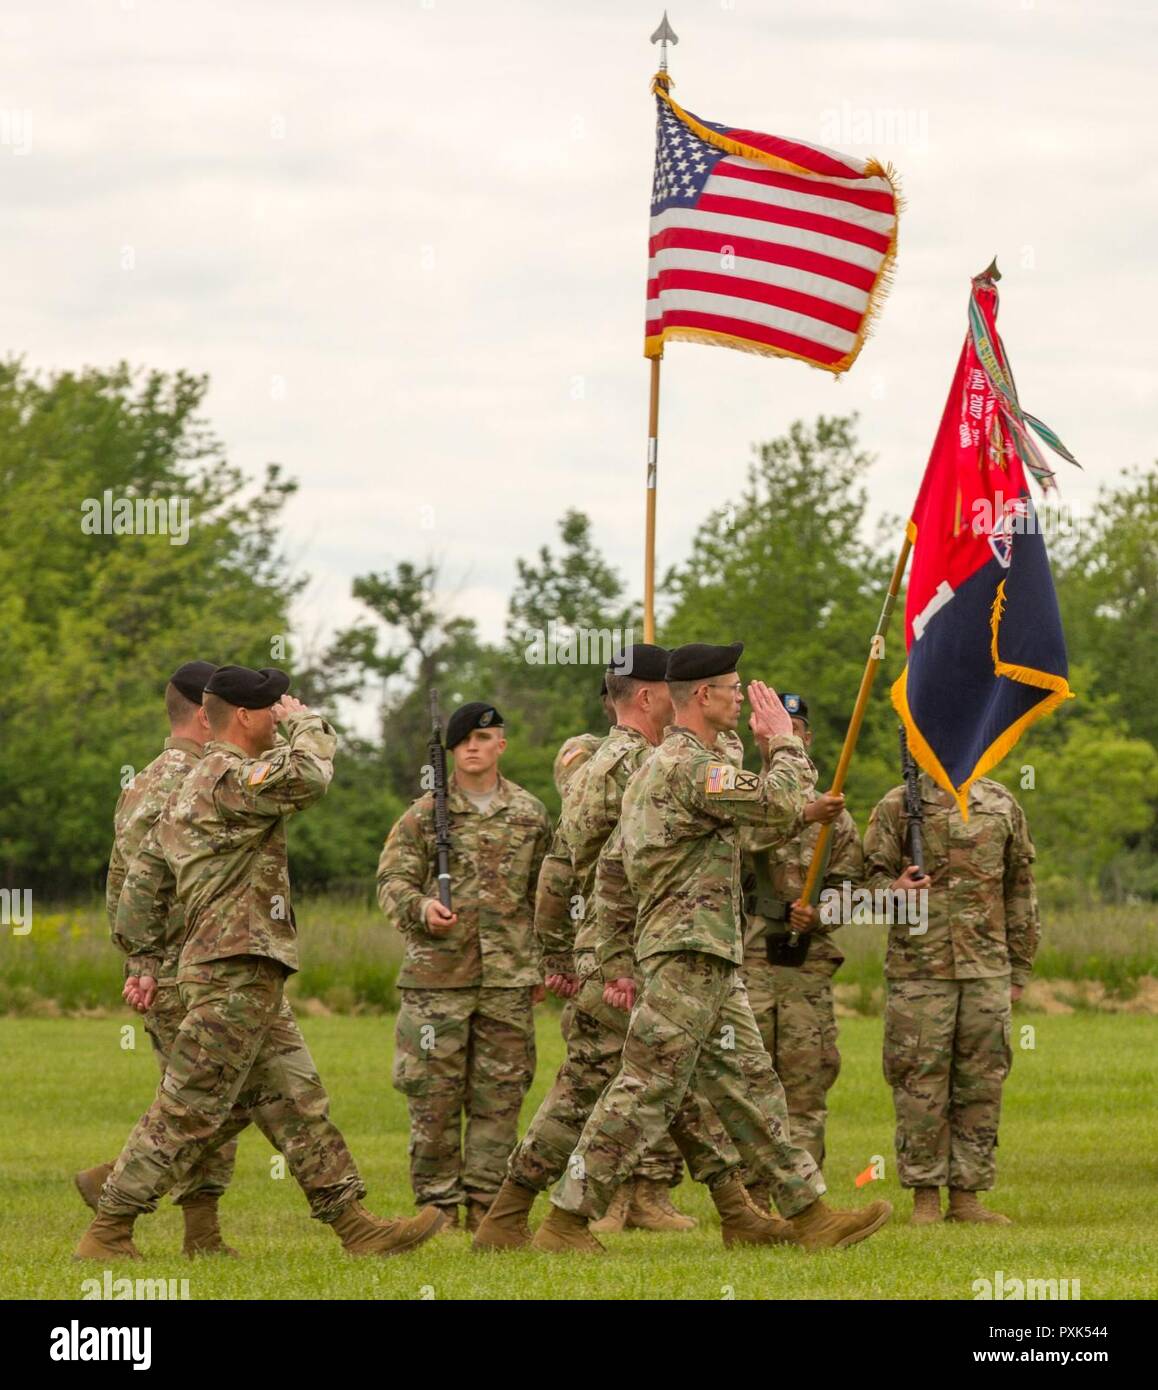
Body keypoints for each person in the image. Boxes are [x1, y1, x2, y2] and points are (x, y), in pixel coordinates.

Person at [532, 642, 892, 1254]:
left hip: (707, 952)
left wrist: (618, 955)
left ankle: (809, 1214)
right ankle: (566, 1221)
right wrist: (780, 739)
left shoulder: (659, 768)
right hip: (687, 952)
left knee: (751, 1083)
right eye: (733, 687)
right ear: (703, 696)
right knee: (646, 1086)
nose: (740, 696)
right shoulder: (690, 768)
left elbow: (615, 869)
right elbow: (776, 800)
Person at [75, 666, 442, 1261]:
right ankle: (110, 1226)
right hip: (230, 966)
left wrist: (141, 955)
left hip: (244, 967)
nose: (280, 712)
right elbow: (310, 775)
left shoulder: (200, 780)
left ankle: (355, 1226)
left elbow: (142, 873)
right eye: (271, 706)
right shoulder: (226, 777)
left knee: (295, 1098)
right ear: (244, 716)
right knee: (193, 1102)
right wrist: (305, 722)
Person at [474, 646, 733, 1250]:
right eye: (668, 687)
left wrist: (559, 952)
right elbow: (584, 862)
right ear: (646, 698)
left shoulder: (594, 761)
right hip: (628, 950)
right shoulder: (636, 763)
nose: (681, 694)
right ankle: (547, 1220)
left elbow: (560, 862)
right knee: (650, 1078)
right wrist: (578, 957)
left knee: (621, 1079)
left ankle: (506, 1218)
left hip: (609, 947)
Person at [75, 660, 248, 1257]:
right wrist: (148, 960)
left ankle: (200, 1231)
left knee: (216, 1097)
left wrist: (135, 957)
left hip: (175, 964)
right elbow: (143, 879)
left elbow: (116, 876)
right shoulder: (185, 779)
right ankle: (117, 1192)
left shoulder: (144, 780)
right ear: (206, 713)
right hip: (184, 967)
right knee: (202, 1099)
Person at [378, 701, 551, 1233]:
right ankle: (437, 1206)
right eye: (462, 741)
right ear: (451, 751)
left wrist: (546, 963)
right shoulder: (423, 815)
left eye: (483, 737)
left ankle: (486, 1203)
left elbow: (546, 894)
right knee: (432, 1093)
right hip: (437, 980)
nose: (471, 748)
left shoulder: (530, 814)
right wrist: (421, 908)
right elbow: (391, 883)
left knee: (499, 1095)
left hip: (507, 977)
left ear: (502, 744)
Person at [863, 767, 1039, 1225]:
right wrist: (894, 891)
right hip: (919, 970)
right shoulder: (896, 806)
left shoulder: (1001, 804)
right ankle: (925, 1196)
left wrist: (1019, 966)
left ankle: (967, 1196)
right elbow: (862, 888)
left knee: (982, 1082)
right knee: (918, 1083)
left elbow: (1019, 889)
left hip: (986, 968)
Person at [738, 694, 863, 1191]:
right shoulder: (743, 801)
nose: (782, 735)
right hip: (750, 962)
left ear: (806, 739)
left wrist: (822, 916)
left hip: (806, 970)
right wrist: (805, 813)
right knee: (749, 1085)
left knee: (806, 1085)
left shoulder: (839, 821)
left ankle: (804, 1195)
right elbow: (744, 842)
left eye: (793, 728)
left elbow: (852, 887)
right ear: (759, 739)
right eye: (771, 728)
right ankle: (752, 1199)